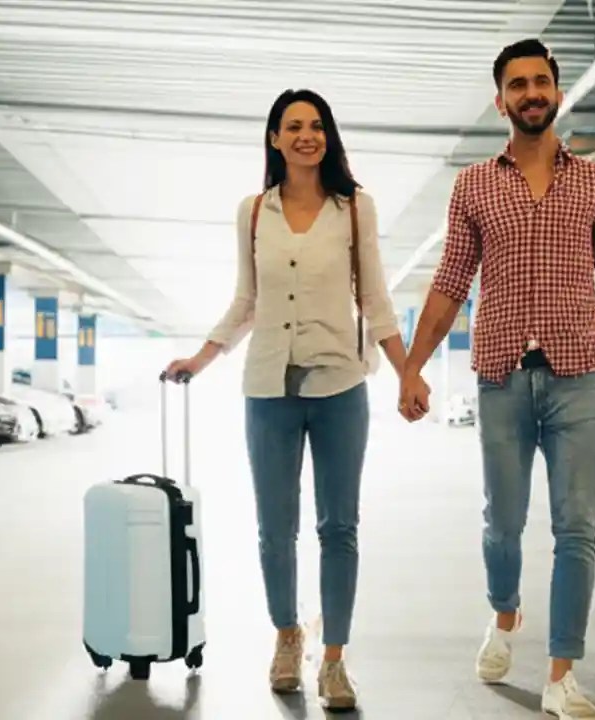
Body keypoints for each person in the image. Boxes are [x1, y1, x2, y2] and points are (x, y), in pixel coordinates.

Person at [397, 39, 595, 719]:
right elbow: (450, 282)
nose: (531, 92)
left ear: (556, 94)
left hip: (578, 375)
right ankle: (504, 615)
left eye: (541, 82)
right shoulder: (473, 185)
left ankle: (561, 675)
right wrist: (411, 365)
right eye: (517, 84)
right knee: (502, 525)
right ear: (501, 101)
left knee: (577, 528)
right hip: (499, 376)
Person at [163, 88, 417, 711]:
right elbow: (246, 300)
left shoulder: (355, 209)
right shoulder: (254, 212)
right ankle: (286, 637)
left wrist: (407, 373)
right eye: (293, 126)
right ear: (275, 139)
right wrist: (202, 357)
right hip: (267, 389)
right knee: (275, 529)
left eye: (316, 125)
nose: (306, 135)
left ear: (328, 136)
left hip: (341, 387)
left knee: (339, 527)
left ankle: (334, 661)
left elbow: (376, 300)